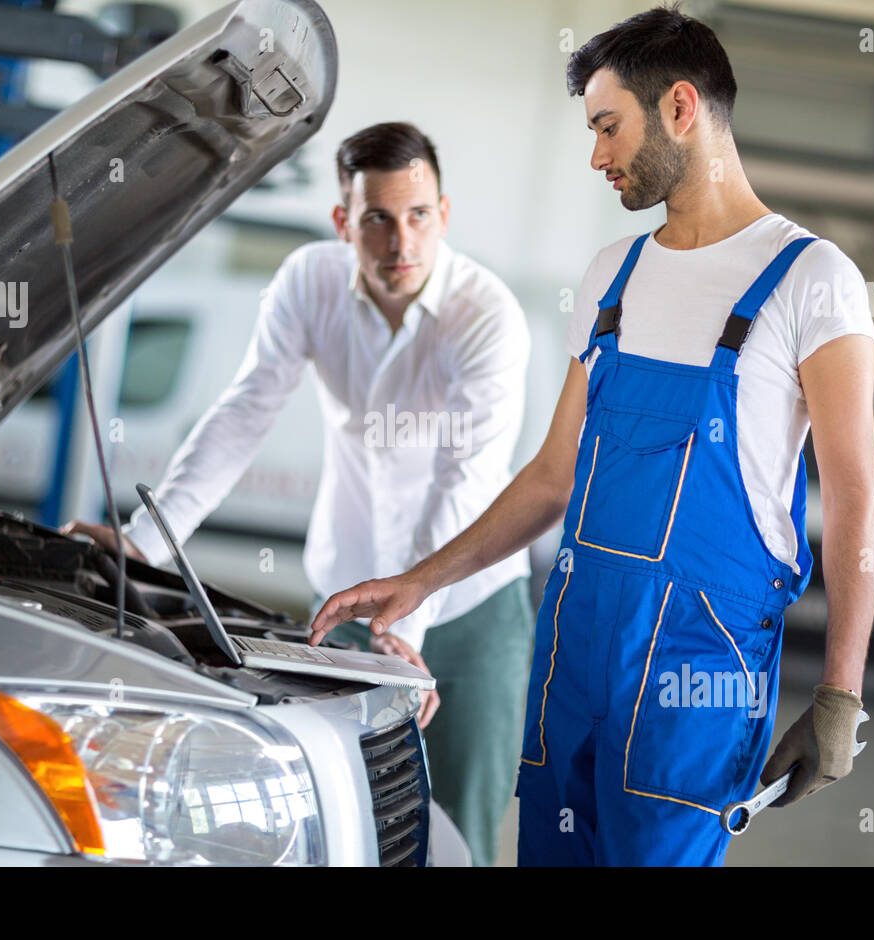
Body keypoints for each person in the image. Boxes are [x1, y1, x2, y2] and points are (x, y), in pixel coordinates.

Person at [310, 6, 874, 866]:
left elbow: (852, 498)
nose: (596, 156)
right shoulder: (612, 275)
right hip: (573, 657)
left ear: (681, 108)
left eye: (609, 127)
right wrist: (418, 585)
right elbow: (552, 476)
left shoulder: (812, 280)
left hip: (700, 669)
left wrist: (840, 692)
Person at [64, 122, 534, 868]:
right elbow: (245, 411)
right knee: (347, 815)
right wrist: (147, 541)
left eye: (417, 217)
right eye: (377, 218)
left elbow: (465, 476)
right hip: (344, 599)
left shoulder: (487, 317)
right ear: (344, 222)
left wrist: (413, 616)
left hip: (469, 608)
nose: (399, 241)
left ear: (444, 214)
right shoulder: (308, 282)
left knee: (458, 828)